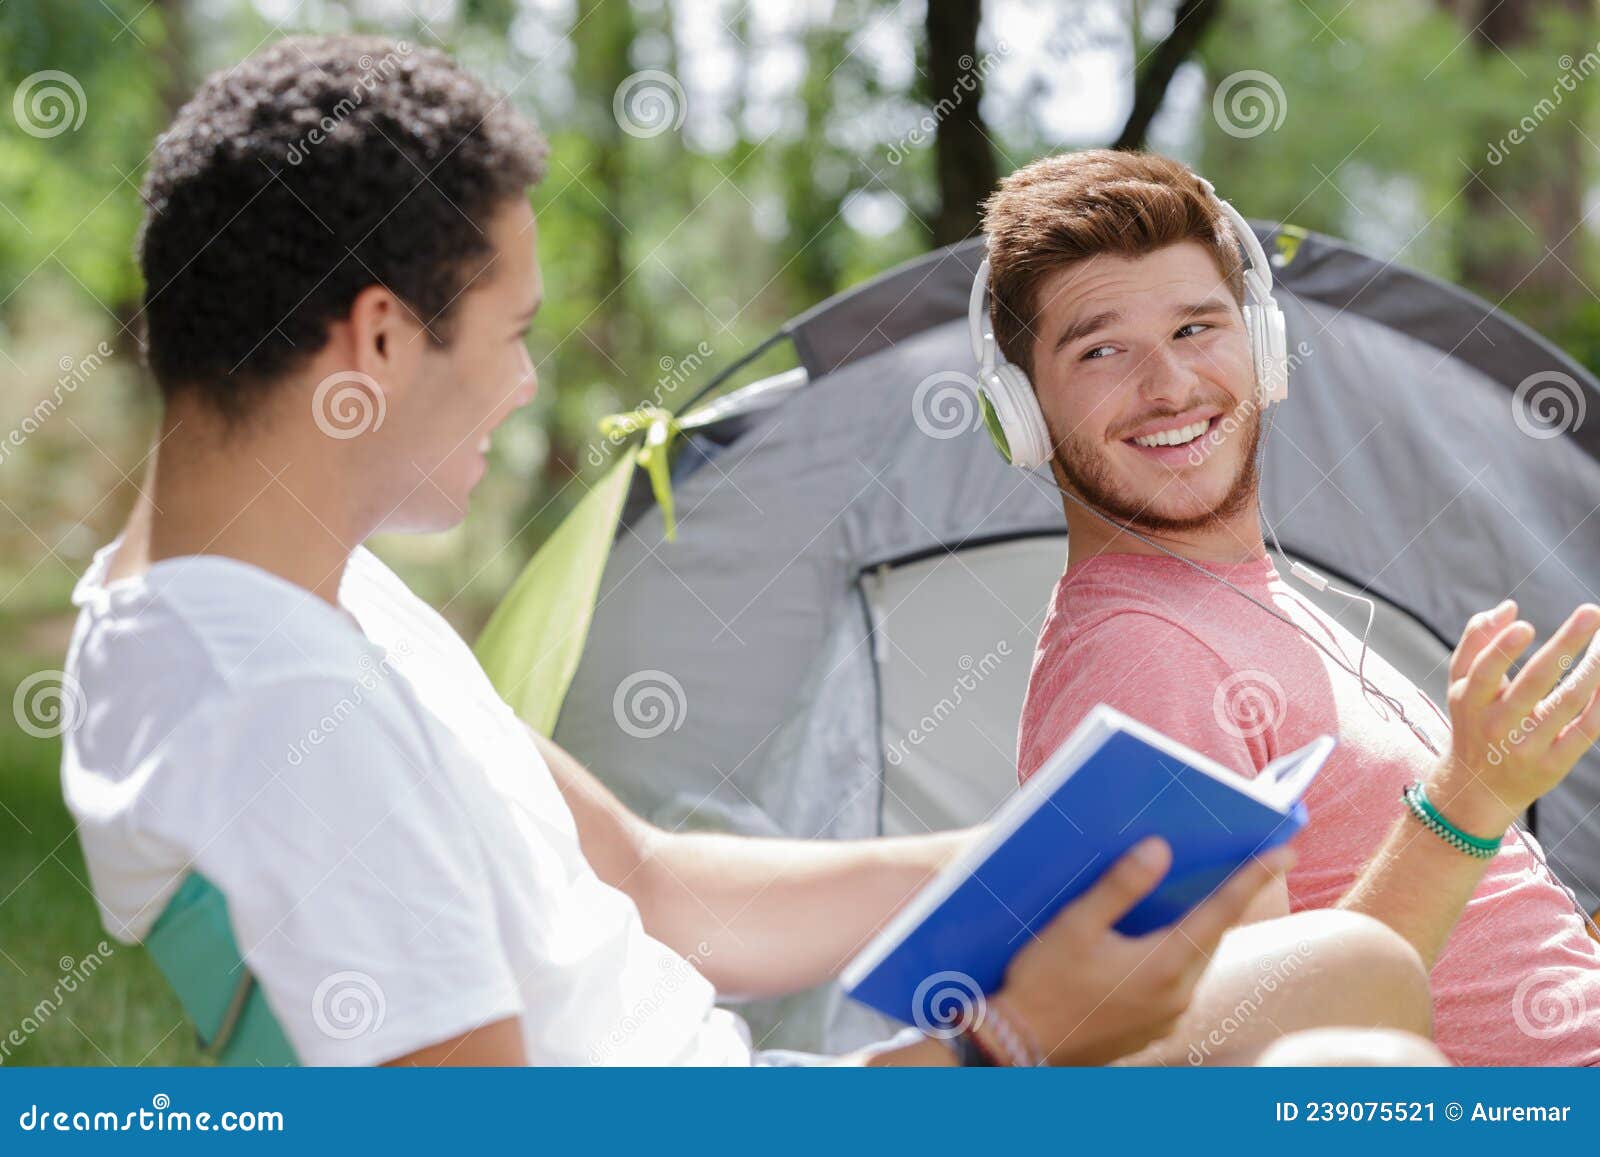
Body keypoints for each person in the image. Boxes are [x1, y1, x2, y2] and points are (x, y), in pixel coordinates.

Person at [61, 36, 1437, 1067]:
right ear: (374, 339)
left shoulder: (301, 597)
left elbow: (653, 883)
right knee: (1356, 1054)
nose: (527, 387)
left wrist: (1058, 855)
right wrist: (1008, 1047)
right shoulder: (278, 706)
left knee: (1349, 965)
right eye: (514, 332)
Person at [980, 148, 1600, 1065]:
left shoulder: (1248, 599)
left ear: (1262, 347)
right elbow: (1239, 1058)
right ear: (1020, 411)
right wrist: (1467, 801)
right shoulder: (1136, 658)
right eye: (1102, 350)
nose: (1171, 387)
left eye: (1197, 329)